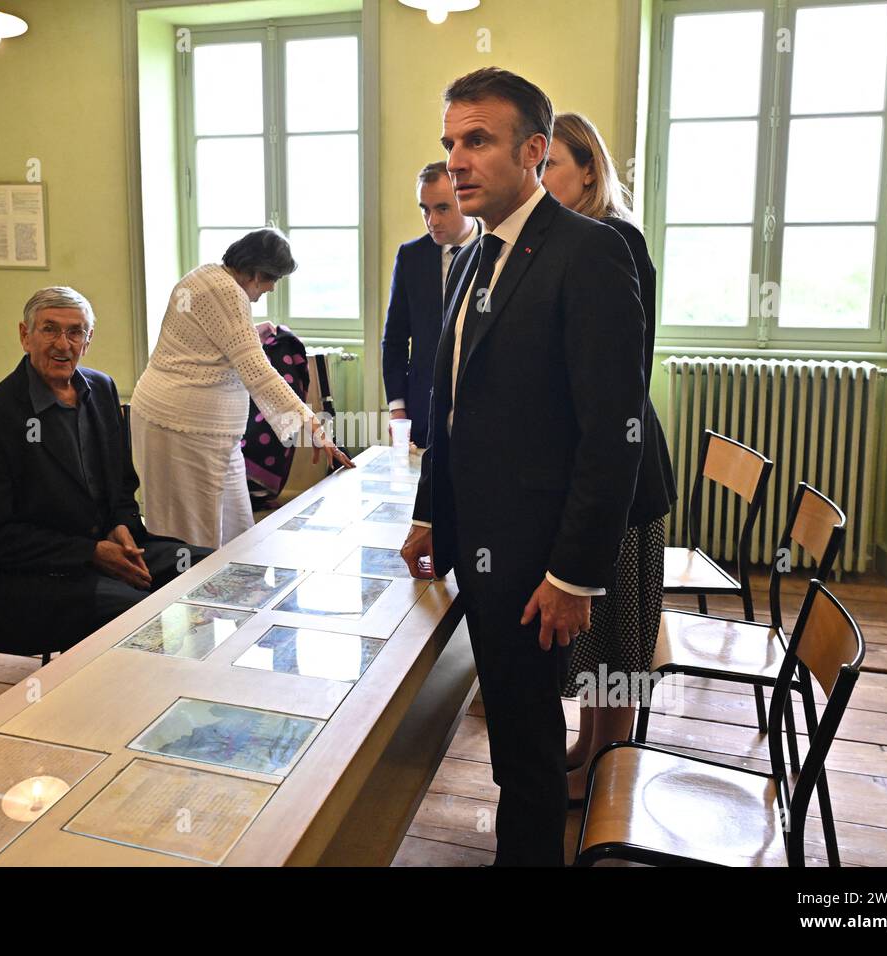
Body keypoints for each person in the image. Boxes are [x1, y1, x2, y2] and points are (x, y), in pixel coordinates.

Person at [400, 68, 648, 866]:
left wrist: (575, 575)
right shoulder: (477, 253)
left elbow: (613, 433)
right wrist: (431, 512)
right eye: (449, 143)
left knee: (534, 751)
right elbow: (454, 406)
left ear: (535, 151)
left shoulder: (590, 252)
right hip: (481, 542)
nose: (456, 162)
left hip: (539, 559)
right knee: (512, 730)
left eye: (478, 141)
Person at [541, 112, 678, 802]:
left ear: (589, 170)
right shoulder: (577, 239)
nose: (541, 181)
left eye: (552, 166)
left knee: (619, 637)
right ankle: (588, 745)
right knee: (598, 641)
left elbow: (616, 377)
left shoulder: (613, 238)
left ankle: (609, 770)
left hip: (624, 473)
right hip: (601, 463)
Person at [0, 287, 213, 654]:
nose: (63, 344)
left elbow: (123, 485)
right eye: (49, 329)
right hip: (34, 579)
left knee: (215, 571)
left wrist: (122, 527)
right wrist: (91, 552)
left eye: (75, 332)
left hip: (110, 548)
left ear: (87, 340)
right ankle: (135, 706)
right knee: (142, 616)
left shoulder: (101, 388)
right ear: (24, 335)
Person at [130, 229, 354, 549]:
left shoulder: (206, 275)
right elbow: (258, 372)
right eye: (272, 278)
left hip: (192, 424)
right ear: (257, 272)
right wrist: (313, 426)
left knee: (235, 528)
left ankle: (222, 591)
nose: (272, 288)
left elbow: (214, 340)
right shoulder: (227, 292)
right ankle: (191, 596)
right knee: (193, 532)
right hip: (182, 425)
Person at [382, 162, 480, 447]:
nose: (431, 220)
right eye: (424, 209)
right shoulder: (411, 257)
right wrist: (397, 409)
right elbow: (395, 339)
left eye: (442, 208)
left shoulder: (495, 248)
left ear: (464, 201)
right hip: (423, 411)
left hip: (481, 410)